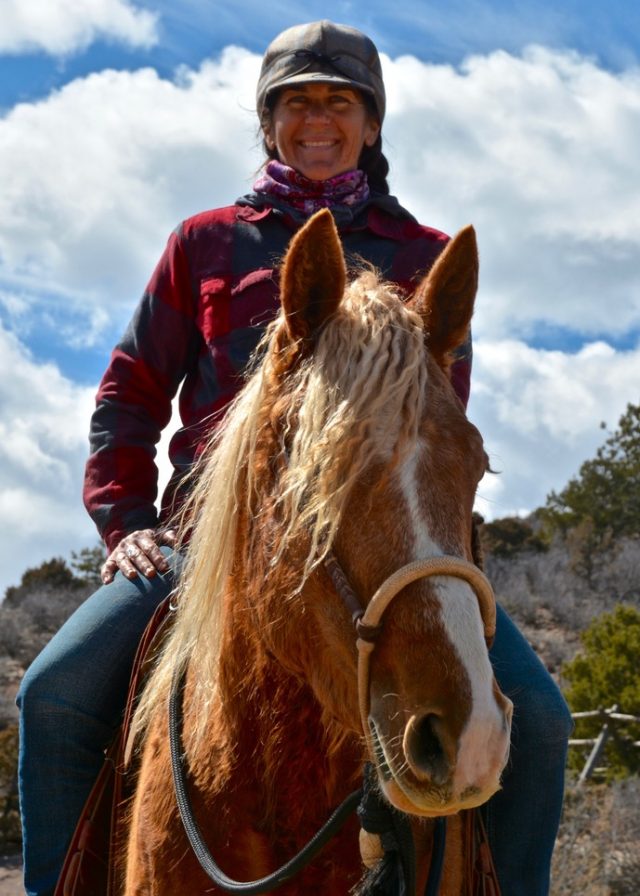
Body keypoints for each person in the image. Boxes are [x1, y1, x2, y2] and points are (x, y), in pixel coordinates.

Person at [17, 20, 572, 896]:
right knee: (51, 696)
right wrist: (124, 522)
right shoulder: (204, 245)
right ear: (270, 121)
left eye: (340, 102)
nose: (319, 118)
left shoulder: (424, 258)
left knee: (537, 721)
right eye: (297, 101)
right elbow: (128, 396)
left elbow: (434, 438)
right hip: (206, 549)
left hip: (378, 552)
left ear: (372, 123)